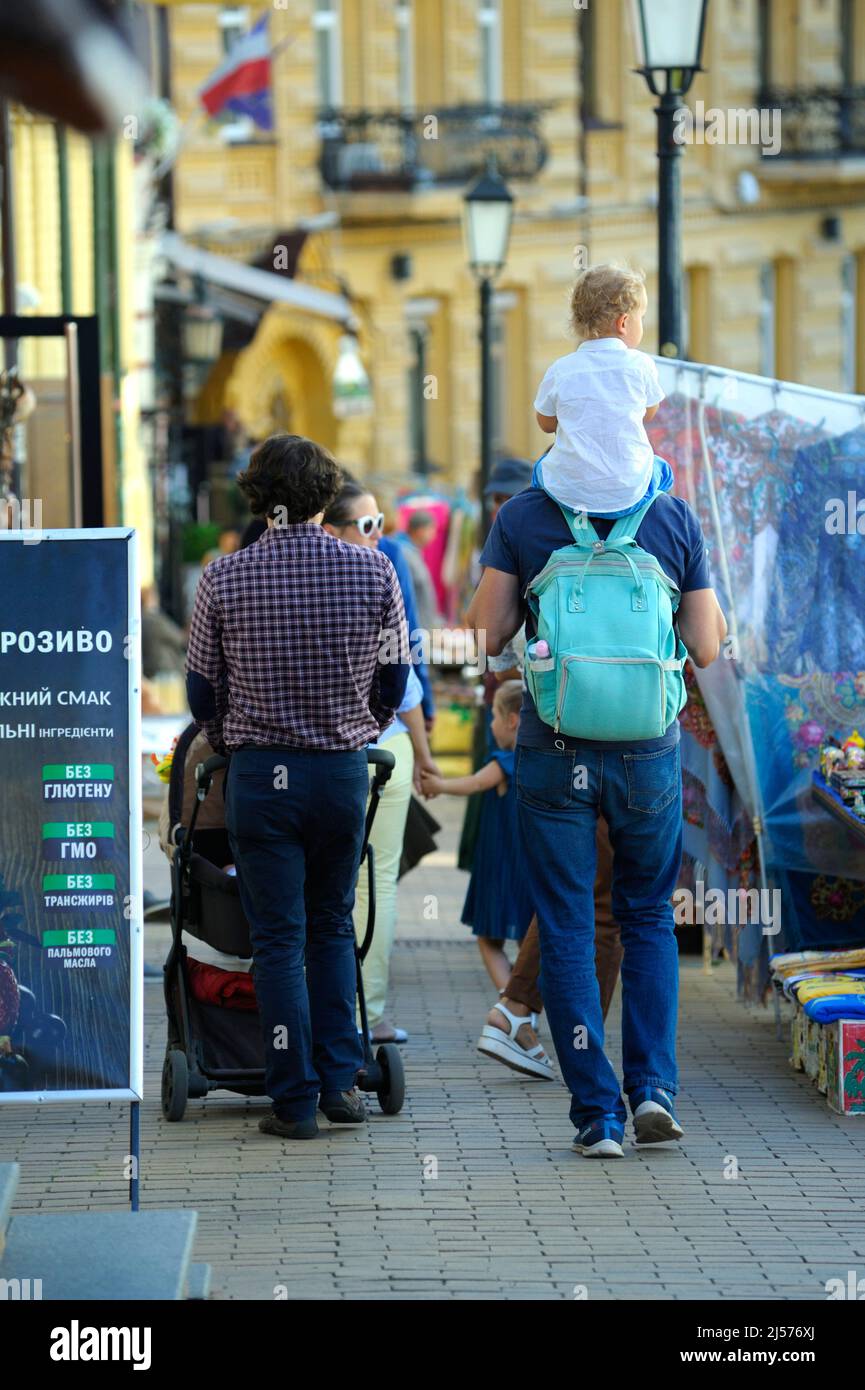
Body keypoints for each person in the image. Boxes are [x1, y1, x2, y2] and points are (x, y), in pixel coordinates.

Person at [467, 447, 727, 1158]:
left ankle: (596, 1116)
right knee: (646, 918)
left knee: (567, 919)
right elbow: (704, 645)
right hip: (647, 748)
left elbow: (483, 635)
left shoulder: (524, 515)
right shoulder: (672, 518)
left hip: (554, 744)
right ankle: (652, 1091)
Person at [185, 434, 410, 1140]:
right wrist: (359, 726)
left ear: (258, 498)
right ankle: (342, 1083)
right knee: (332, 925)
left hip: (260, 778)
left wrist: (230, 735)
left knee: (276, 938)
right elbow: (396, 682)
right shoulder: (373, 574)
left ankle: (292, 1100)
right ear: (324, 496)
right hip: (340, 774)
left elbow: (198, 692)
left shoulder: (223, 578)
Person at [322, 479, 440, 1045]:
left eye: (381, 524)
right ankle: (365, 1014)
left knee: (338, 885)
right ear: (332, 529)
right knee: (374, 884)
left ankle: (335, 1013)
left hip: (324, 755)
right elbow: (404, 679)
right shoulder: (377, 580)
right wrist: (420, 752)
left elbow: (409, 679)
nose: (379, 536)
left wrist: (423, 754)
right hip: (378, 749)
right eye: (367, 527)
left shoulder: (287, 579)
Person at [533, 264, 671, 518]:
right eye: (641, 318)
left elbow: (545, 423)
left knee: (541, 468)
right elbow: (650, 412)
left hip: (569, 494)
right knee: (663, 469)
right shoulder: (641, 364)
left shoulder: (561, 369)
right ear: (624, 322)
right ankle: (645, 521)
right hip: (630, 492)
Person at [421, 682, 534, 993]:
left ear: (511, 720)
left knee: (488, 939)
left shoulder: (504, 763)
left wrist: (439, 786)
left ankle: (512, 1002)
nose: (491, 725)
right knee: (530, 941)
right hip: (531, 871)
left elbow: (473, 784)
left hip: (500, 868)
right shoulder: (538, 763)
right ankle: (525, 1001)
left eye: (494, 717)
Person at [395, 510, 440, 635]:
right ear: (420, 530)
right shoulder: (403, 553)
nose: (434, 535)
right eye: (431, 529)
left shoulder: (412, 552)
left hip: (420, 629)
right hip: (412, 631)